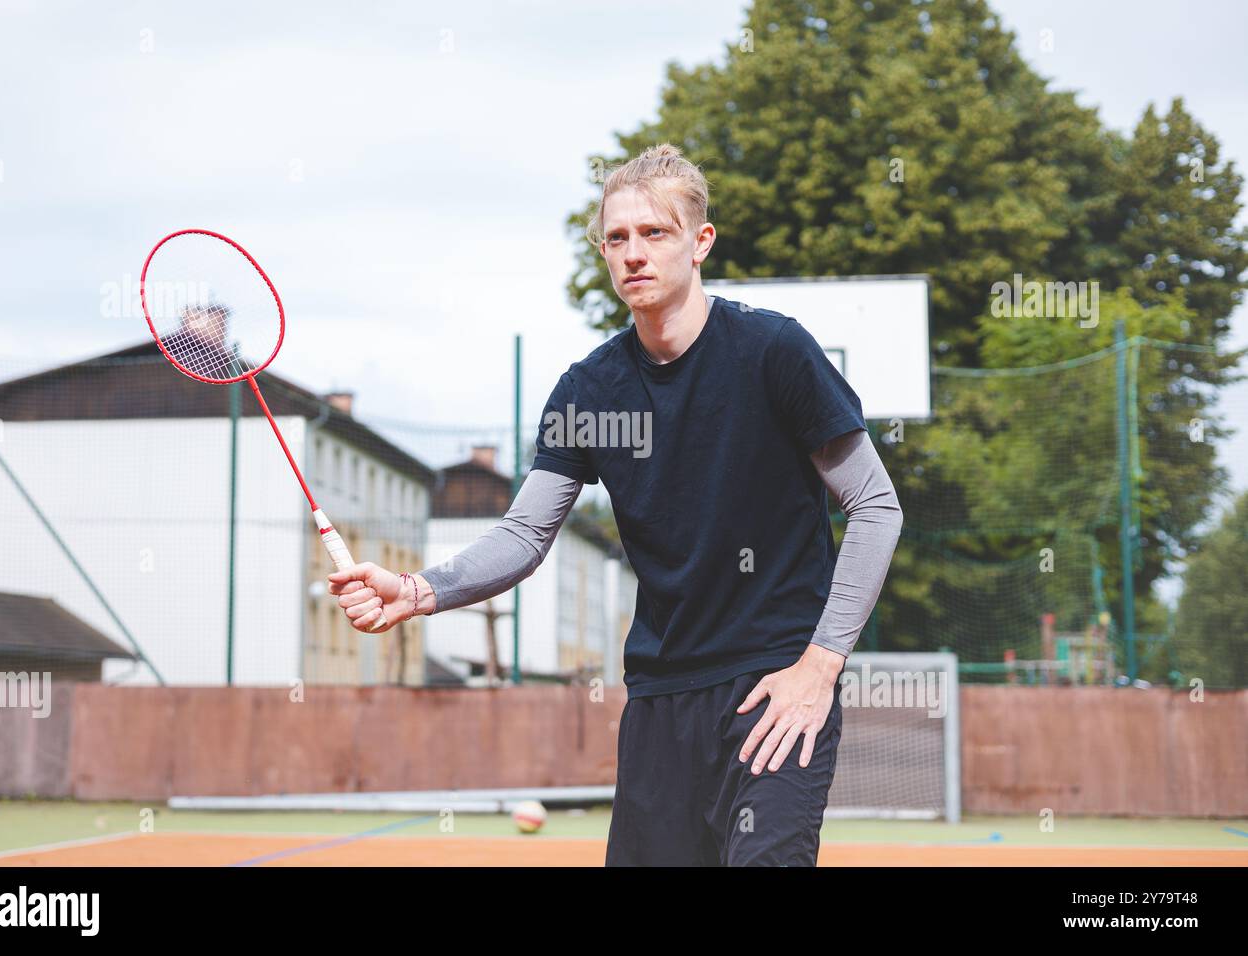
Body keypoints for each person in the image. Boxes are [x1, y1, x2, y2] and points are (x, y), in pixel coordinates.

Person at [328, 143, 903, 866]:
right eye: (617, 237)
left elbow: (877, 507)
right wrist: (418, 590)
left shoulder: (773, 352)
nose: (633, 253)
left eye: (654, 233)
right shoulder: (589, 391)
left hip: (774, 692)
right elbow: (525, 535)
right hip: (660, 703)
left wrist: (820, 667)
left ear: (700, 243)